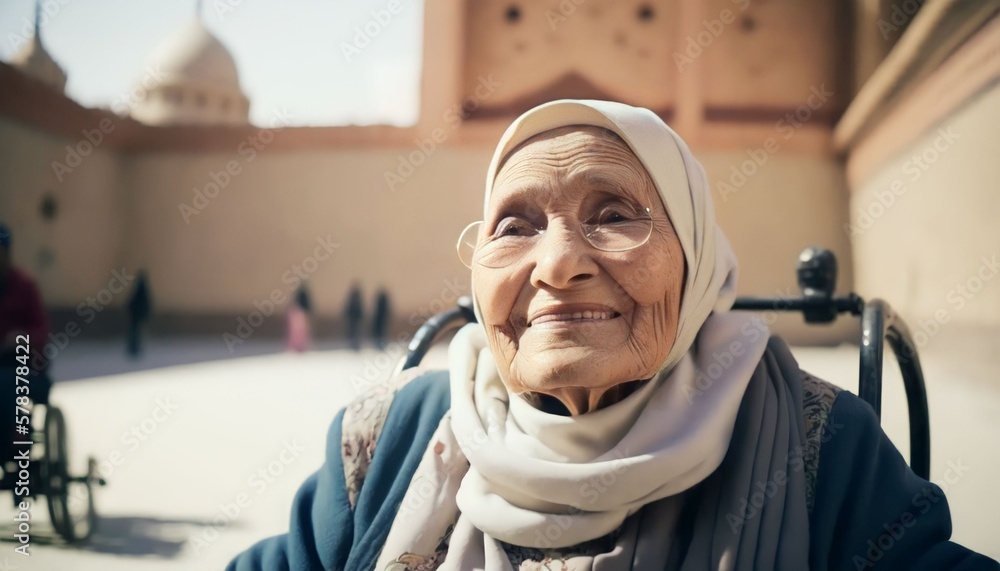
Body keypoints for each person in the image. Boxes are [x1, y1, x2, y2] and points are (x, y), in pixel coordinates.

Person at [228, 101, 998, 570]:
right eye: (515, 225)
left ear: (694, 261)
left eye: (615, 214)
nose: (557, 265)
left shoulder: (818, 446)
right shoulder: (387, 441)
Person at [126, 269, 152, 358]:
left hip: (136, 316)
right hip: (137, 316)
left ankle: (134, 349)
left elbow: (132, 303)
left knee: (135, 333)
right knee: (136, 333)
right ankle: (134, 349)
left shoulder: (139, 291)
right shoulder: (141, 292)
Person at [286, 283, 313, 353]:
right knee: (300, 331)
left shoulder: (299, 301)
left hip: (300, 313)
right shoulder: (303, 300)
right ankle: (298, 345)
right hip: (302, 313)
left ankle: (299, 346)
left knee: (299, 331)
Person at [344, 282, 364, 351]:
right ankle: (352, 344)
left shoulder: (358, 297)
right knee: (352, 331)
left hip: (356, 317)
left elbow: (360, 307)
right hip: (352, 317)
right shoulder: (352, 296)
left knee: (356, 331)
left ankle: (356, 345)